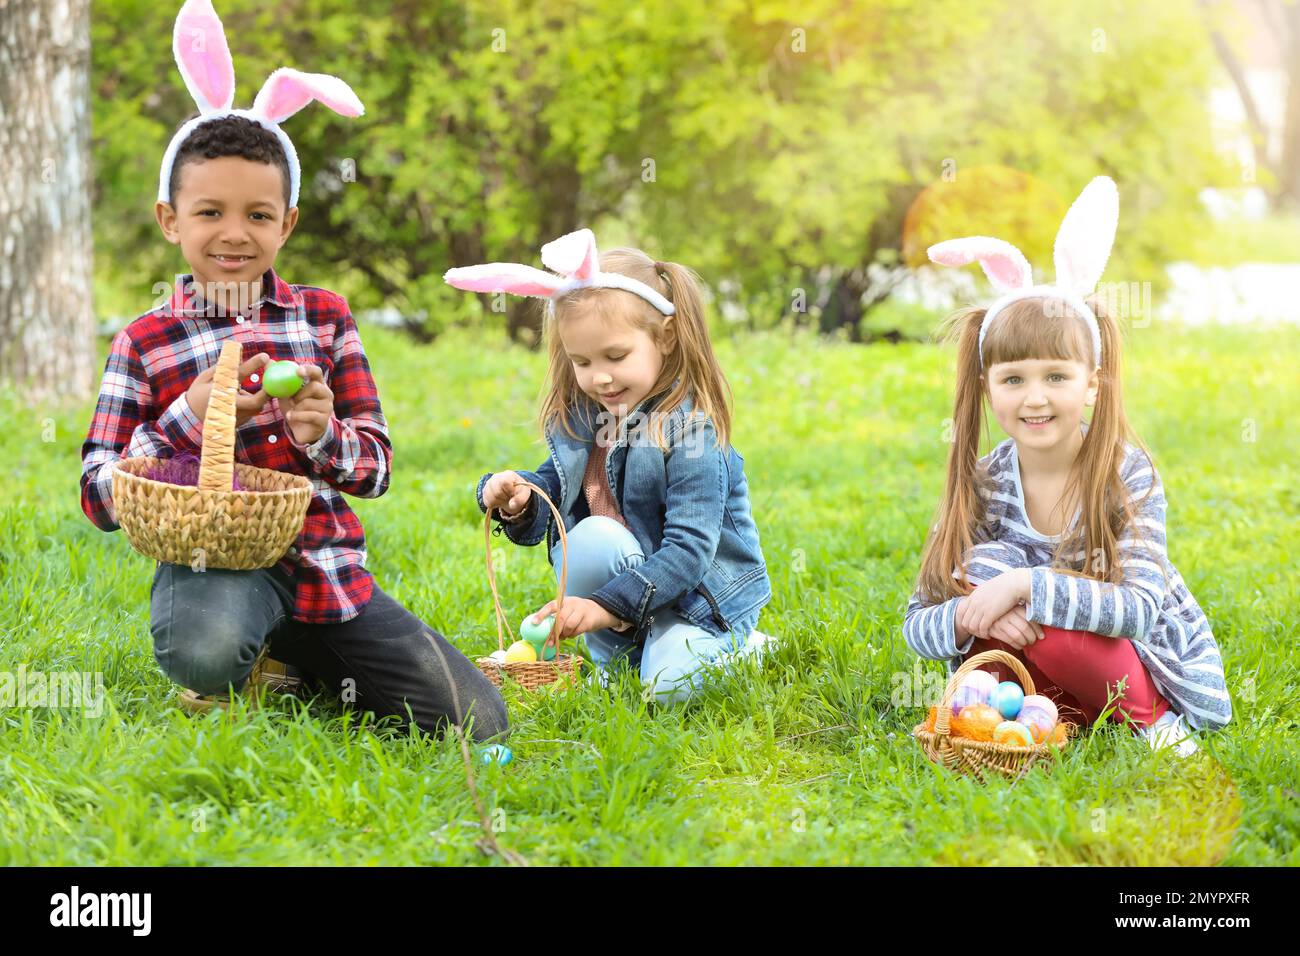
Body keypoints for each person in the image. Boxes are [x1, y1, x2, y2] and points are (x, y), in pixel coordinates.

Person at [78, 0, 506, 741]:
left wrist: (322, 434)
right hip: (214, 567)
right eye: (209, 212)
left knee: (475, 721)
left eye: (259, 215)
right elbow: (98, 494)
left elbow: (374, 470)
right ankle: (238, 655)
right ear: (169, 219)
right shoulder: (145, 340)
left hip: (323, 568)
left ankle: (290, 660)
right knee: (204, 649)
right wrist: (191, 416)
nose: (234, 234)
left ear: (289, 222)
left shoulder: (325, 318)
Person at [904, 177, 1231, 755]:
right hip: (1037, 677)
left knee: (1042, 613)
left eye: (1056, 376)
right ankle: (1030, 718)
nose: (1034, 399)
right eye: (1013, 380)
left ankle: (1156, 725)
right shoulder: (985, 481)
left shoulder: (1125, 475)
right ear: (987, 386)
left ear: (1091, 384)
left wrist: (1021, 585)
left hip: (1124, 670)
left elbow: (1136, 610)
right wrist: (975, 615)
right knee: (979, 575)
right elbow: (916, 622)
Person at [445, 229, 774, 703]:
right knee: (591, 537)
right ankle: (616, 659)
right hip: (631, 595)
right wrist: (519, 498)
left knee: (666, 690)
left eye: (615, 356)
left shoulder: (692, 432)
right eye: (581, 360)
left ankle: (744, 649)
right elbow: (557, 488)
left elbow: (689, 551)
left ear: (665, 338)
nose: (599, 376)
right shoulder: (587, 417)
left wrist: (599, 606)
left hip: (700, 605)